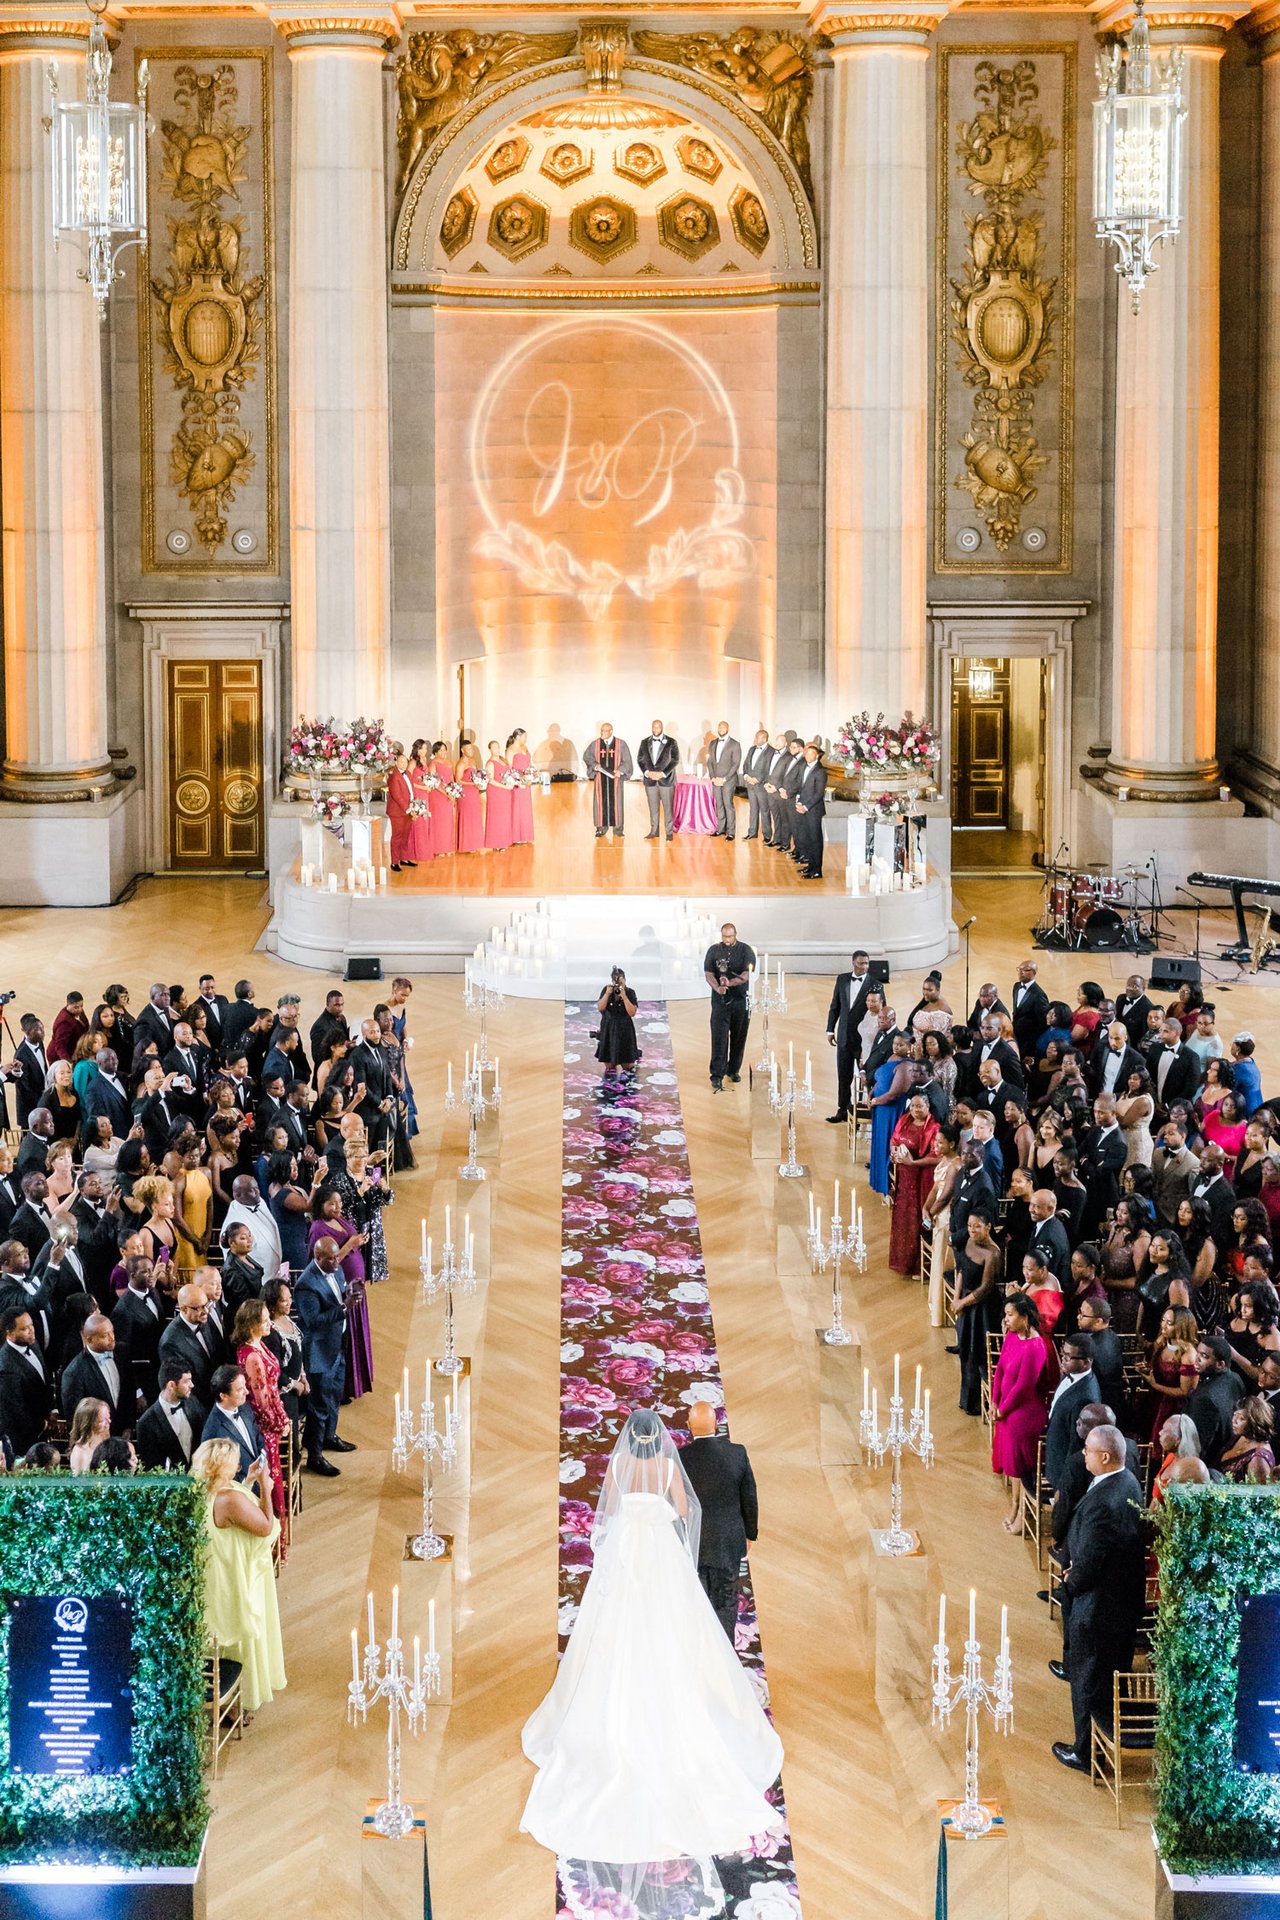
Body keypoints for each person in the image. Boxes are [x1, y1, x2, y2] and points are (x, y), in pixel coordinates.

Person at [520, 1409, 783, 1865]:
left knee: (616, 1621)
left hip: (627, 1550)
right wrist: (659, 1509)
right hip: (659, 1549)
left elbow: (610, 1505)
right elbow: (684, 1510)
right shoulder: (665, 1467)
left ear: (628, 1439)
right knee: (672, 1616)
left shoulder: (621, 1466)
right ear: (658, 1439)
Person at [1051, 1423, 1148, 1774]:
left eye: (1088, 1450)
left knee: (1089, 1680)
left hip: (1098, 1608)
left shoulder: (1104, 1503)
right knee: (1103, 1678)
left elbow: (1089, 1565)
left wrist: (1069, 1582)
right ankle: (1096, 1746)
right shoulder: (1127, 1482)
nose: (1083, 1454)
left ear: (1105, 1456)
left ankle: (1086, 1752)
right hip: (1119, 1603)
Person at [191, 1437, 286, 1716]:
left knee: (220, 1634)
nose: (238, 1464)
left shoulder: (203, 1490)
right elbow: (265, 1527)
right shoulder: (228, 1498)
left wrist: (249, 1481)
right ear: (223, 1466)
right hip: (234, 1576)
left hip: (214, 1575)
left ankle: (228, 1701)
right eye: (234, 1461)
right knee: (239, 1634)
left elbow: (227, 1519)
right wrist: (266, 1489)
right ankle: (235, 1705)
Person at [680, 1400, 758, 1641]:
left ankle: (700, 1649)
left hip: (696, 1540)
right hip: (729, 1539)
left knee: (697, 1598)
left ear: (688, 1426)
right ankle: (725, 1653)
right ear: (717, 1423)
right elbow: (749, 1496)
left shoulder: (681, 1458)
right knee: (726, 1599)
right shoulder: (737, 1453)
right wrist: (750, 1534)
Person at [990, 1292, 1057, 1532]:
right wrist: (994, 1401)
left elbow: (1024, 1386)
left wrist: (1004, 1408)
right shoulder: (1012, 1335)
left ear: (1025, 1317)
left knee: (1019, 1467)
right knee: (1011, 1464)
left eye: (1010, 1315)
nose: (1006, 1320)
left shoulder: (1036, 1346)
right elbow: (1000, 1370)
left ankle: (1020, 1512)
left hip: (1023, 1413)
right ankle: (1014, 1506)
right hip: (1006, 1410)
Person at [293, 1236, 351, 1475]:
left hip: (337, 1344)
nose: (337, 1261)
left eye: (337, 1256)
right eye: (331, 1258)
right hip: (319, 1351)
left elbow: (341, 1293)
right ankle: (314, 1455)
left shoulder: (336, 1270)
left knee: (335, 1395)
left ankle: (329, 1435)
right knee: (319, 1404)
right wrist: (345, 1308)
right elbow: (313, 1321)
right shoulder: (306, 1284)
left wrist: (352, 1290)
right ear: (317, 1258)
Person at [235, 1299, 289, 1526]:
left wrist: (283, 1416)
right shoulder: (252, 1357)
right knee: (272, 1479)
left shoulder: (258, 1344)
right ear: (250, 1325)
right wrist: (280, 1424)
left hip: (273, 1420)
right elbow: (262, 1401)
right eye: (264, 1320)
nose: (270, 1323)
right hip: (264, 1428)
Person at [888, 1093, 939, 1274]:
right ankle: (900, 1260)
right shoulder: (904, 1120)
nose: (915, 1110)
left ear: (927, 1107)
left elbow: (936, 1156)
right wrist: (894, 1153)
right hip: (904, 1176)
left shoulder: (934, 1128)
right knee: (902, 1217)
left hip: (921, 1178)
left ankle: (917, 1264)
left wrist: (913, 1163)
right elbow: (894, 1140)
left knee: (916, 1217)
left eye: (919, 1107)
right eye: (913, 1106)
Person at [703, 922, 755, 1093]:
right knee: (719, 1038)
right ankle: (716, 1075)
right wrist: (717, 987)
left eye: (730, 936)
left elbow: (746, 974)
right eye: (724, 936)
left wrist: (731, 983)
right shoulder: (714, 950)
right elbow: (709, 972)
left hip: (740, 1000)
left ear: (735, 934)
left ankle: (733, 1069)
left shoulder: (745, 950)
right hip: (720, 1002)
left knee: (739, 1037)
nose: (727, 940)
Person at [825, 950, 877, 1123]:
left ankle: (869, 1110)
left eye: (867, 964)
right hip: (844, 1038)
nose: (865, 967)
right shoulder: (842, 979)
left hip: (865, 1040)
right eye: (861, 963)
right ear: (853, 963)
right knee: (844, 1075)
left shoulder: (875, 984)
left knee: (867, 1076)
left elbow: (880, 1012)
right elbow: (835, 1007)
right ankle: (843, 1109)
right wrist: (830, 1030)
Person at [1186, 1335, 1247, 1468]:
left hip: (1208, 1464)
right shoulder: (1235, 1379)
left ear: (1220, 1364)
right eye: (1198, 1353)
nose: (1197, 1359)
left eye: (1204, 1356)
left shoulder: (1204, 1399)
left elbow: (1199, 1444)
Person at [202, 1362, 267, 1483]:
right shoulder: (213, 1431)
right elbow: (217, 1475)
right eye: (240, 1389)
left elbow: (259, 1439)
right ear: (224, 1396)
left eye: (245, 1387)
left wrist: (263, 1464)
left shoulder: (245, 1408)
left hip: (259, 1483)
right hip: (239, 1492)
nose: (246, 1392)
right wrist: (247, 1482)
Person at [135, 1360, 205, 1470]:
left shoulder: (193, 1403)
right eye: (186, 1381)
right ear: (171, 1385)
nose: (192, 1385)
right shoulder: (146, 1423)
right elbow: (151, 1468)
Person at [0, 1308, 51, 1458]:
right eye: (24, 1329)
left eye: (31, 1325)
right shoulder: (5, 1366)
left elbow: (44, 1382)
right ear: (10, 1333)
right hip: (25, 1440)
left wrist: (52, 1411)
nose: (31, 1331)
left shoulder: (33, 1344)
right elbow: (16, 1411)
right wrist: (43, 1425)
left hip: (43, 1427)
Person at [584, 723, 632, 838]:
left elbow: (627, 761)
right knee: (600, 802)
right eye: (601, 730)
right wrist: (595, 766)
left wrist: (620, 770)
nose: (602, 733)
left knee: (617, 803)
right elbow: (587, 757)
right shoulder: (595, 744)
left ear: (611, 731)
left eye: (605, 731)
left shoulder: (621, 744)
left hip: (615, 779)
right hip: (600, 779)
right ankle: (601, 828)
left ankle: (618, 829)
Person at [637, 719, 678, 841]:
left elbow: (675, 760)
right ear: (651, 728)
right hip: (650, 780)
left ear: (662, 728)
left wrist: (663, 773)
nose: (656, 729)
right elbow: (640, 759)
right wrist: (647, 772)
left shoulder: (671, 742)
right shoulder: (644, 742)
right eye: (654, 727)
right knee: (653, 807)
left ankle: (669, 832)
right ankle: (654, 831)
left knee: (668, 807)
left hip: (666, 781)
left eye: (658, 727)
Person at [1219, 1396, 1276, 1483]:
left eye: (1241, 1418)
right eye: (1234, 1415)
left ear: (1255, 1422)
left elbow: (1258, 1494)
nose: (1235, 1421)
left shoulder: (1258, 1459)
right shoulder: (1242, 1436)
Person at [793, 740, 828, 878]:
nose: (807, 756)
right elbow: (801, 787)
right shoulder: (804, 767)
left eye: (811, 753)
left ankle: (817, 870)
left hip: (813, 810)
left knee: (815, 840)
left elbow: (819, 793)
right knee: (807, 838)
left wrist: (806, 807)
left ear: (817, 756)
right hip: (803, 807)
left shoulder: (820, 771)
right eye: (806, 753)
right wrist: (798, 801)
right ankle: (810, 866)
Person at [594, 969, 639, 1074]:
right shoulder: (606, 990)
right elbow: (600, 1008)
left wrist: (624, 996)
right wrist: (607, 994)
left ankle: (635, 1054)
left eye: (621, 981)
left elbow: (632, 1013)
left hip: (624, 1028)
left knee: (628, 1066)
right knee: (609, 1066)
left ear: (625, 980)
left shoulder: (630, 992)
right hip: (609, 1027)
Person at [706, 720, 741, 839]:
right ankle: (720, 829)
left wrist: (724, 778)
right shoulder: (712, 743)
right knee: (719, 805)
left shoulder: (735, 744)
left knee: (728, 805)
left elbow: (736, 764)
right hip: (716, 780)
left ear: (728, 728)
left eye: (724, 727)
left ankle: (730, 832)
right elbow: (710, 761)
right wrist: (713, 777)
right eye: (720, 727)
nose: (721, 729)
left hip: (728, 781)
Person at [66, 1396, 110, 1473]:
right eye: (103, 1420)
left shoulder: (107, 1446)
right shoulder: (79, 1451)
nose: (109, 1422)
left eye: (108, 1418)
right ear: (90, 1423)